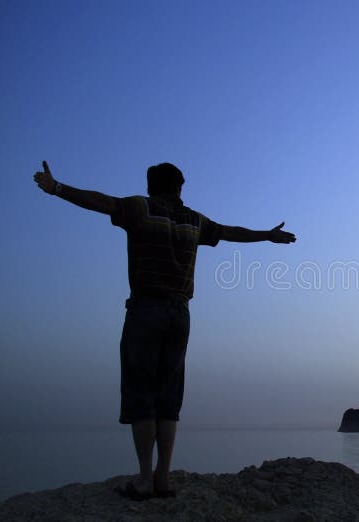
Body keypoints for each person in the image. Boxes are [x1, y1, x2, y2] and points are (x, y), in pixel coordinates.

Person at [33, 161, 296, 500]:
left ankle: (144, 479)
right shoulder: (193, 221)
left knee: (142, 393)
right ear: (179, 188)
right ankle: (164, 478)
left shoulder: (140, 208)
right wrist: (267, 236)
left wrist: (57, 188)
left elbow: (101, 202)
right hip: (180, 315)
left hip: (146, 310)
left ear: (150, 185)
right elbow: (231, 232)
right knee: (168, 397)